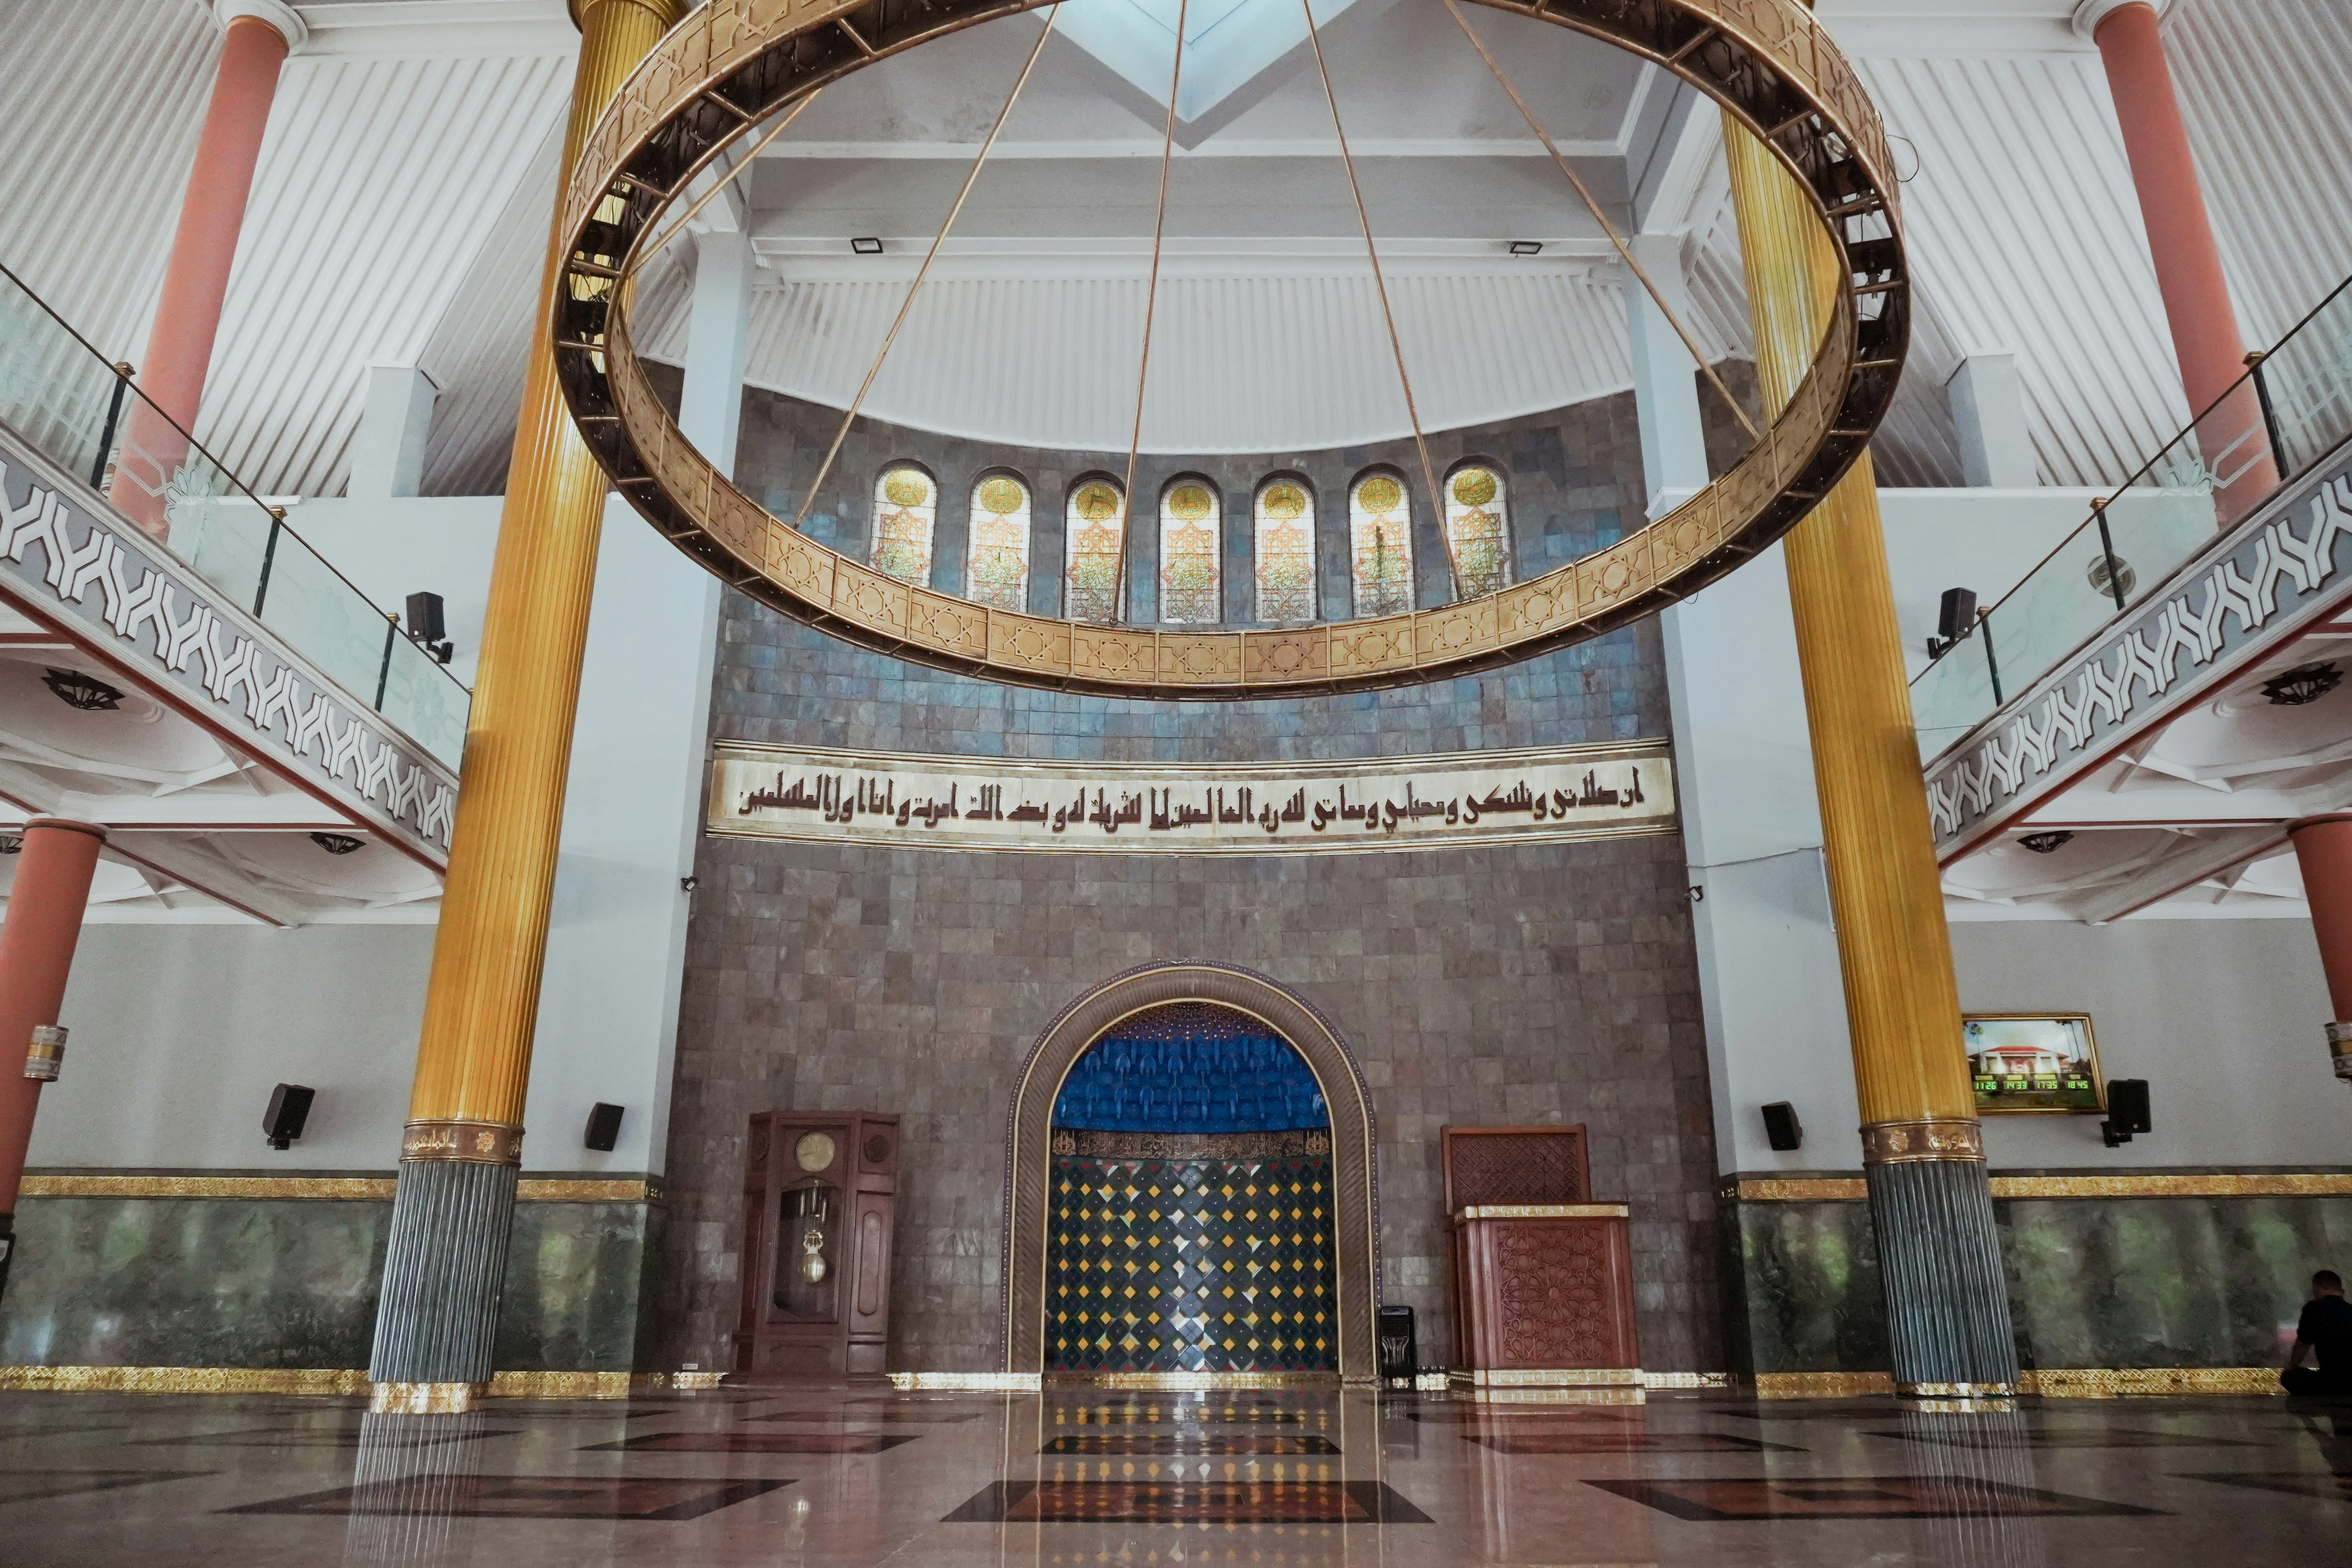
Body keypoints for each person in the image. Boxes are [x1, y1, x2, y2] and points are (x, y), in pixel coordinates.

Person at [2283, 1270, 2352, 1397]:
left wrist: (2293, 1366)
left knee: (2289, 1377)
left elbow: (2302, 1345)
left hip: (2333, 1383)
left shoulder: (2314, 1309)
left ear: (2317, 1288)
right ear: (2341, 1291)